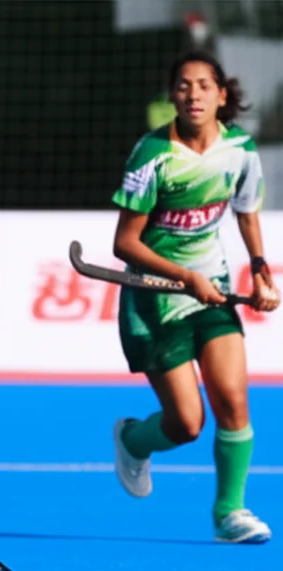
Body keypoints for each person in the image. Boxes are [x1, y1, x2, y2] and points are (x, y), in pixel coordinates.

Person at [110, 50, 279, 544]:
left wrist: (261, 270)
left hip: (215, 292)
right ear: (173, 97)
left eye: (204, 85)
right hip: (155, 299)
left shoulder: (241, 149)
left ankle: (230, 513)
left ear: (222, 95)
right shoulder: (152, 155)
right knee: (186, 424)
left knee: (233, 400)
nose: (193, 94)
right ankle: (132, 438)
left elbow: (247, 213)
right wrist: (185, 277)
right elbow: (125, 244)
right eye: (183, 86)